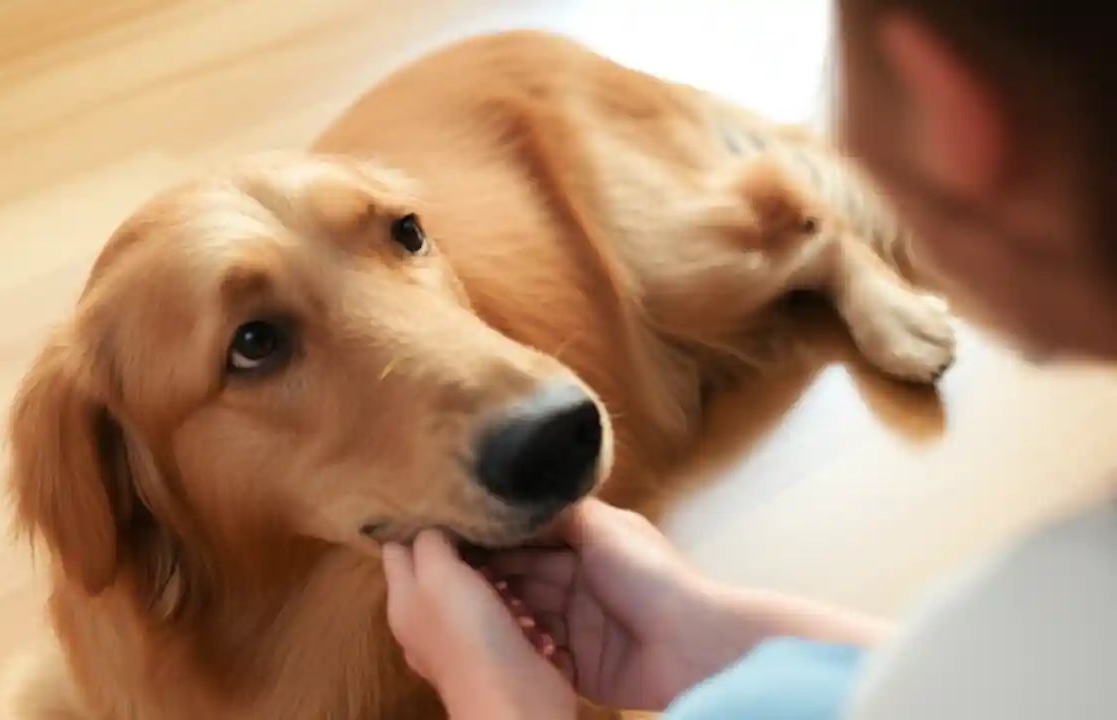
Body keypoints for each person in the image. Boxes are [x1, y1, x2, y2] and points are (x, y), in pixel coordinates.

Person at [382, 0, 1117, 718]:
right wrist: (711, 632)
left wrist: (499, 702)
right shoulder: (1048, 632)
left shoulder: (1033, 627)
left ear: (948, 113)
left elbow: (946, 687)